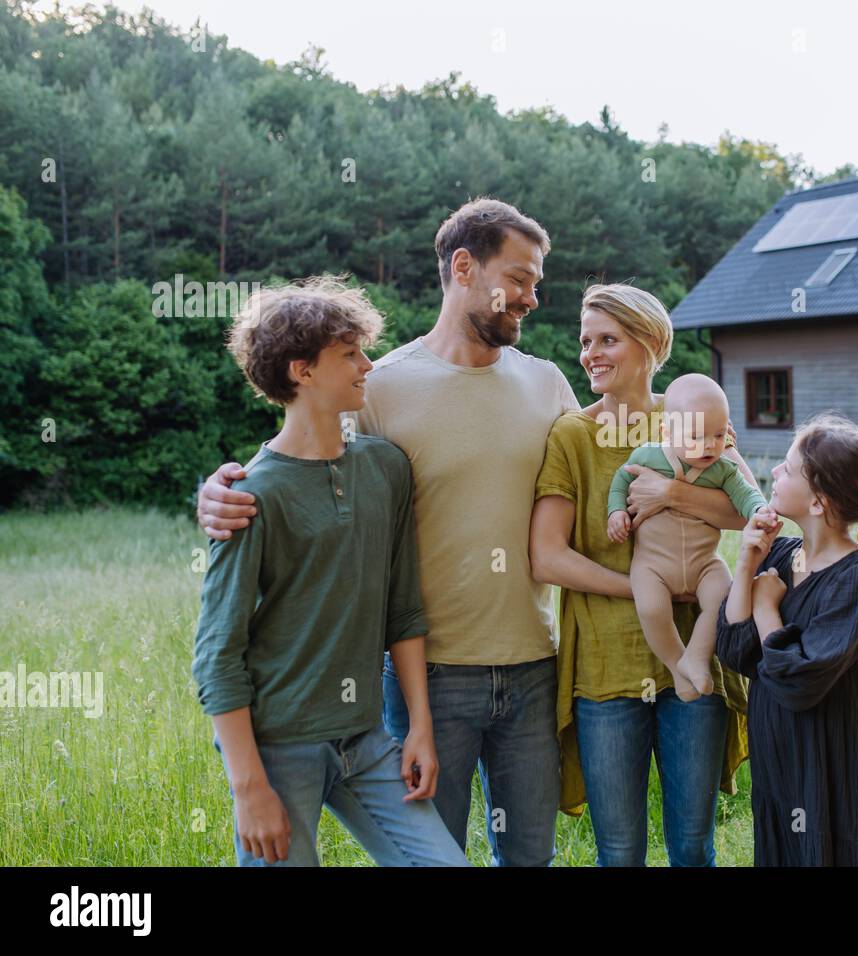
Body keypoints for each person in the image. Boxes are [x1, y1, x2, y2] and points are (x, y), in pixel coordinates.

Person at [197, 198, 578, 866]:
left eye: (536, 283)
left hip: (527, 667)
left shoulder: (545, 385)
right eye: (519, 278)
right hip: (422, 680)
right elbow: (299, 456)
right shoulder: (383, 389)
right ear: (464, 267)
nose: (531, 297)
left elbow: (608, 467)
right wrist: (218, 491)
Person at [191, 277, 466, 867]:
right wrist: (249, 789)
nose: (368, 365)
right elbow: (217, 655)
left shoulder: (386, 468)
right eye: (350, 354)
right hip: (279, 746)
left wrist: (419, 725)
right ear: (302, 371)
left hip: (365, 741)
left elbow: (404, 607)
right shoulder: (251, 496)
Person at [530, 283, 774, 866]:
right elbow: (547, 556)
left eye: (607, 339)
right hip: (606, 670)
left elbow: (754, 514)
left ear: (650, 344)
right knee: (619, 851)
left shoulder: (693, 413)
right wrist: (644, 587)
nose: (590, 353)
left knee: (692, 846)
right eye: (586, 341)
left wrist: (671, 491)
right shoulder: (572, 435)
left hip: (695, 660)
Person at [715, 412, 858, 866]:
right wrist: (746, 564)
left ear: (818, 502)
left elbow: (798, 680)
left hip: (834, 760)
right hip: (780, 756)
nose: (775, 473)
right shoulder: (782, 554)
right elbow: (734, 650)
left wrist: (766, 608)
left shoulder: (857, 579)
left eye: (787, 467)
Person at [607, 373, 772, 698]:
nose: (710, 445)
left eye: (719, 434)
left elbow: (747, 496)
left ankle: (696, 656)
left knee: (721, 598)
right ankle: (676, 663)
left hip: (703, 564)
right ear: (668, 432)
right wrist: (616, 512)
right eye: (697, 436)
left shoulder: (722, 469)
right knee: (652, 608)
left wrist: (758, 511)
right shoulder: (648, 456)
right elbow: (620, 482)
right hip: (653, 565)